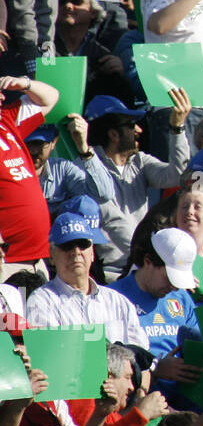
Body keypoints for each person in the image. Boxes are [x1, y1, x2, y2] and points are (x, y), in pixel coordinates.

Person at [87, 90, 193, 279]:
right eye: (131, 125)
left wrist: (177, 128)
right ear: (113, 134)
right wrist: (148, 254)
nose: (139, 130)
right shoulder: (88, 167)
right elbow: (113, 222)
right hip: (111, 271)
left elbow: (177, 175)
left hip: (144, 262)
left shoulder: (140, 161)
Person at [25, 211, 149, 348]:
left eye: (82, 244)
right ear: (51, 256)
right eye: (67, 245)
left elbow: (140, 354)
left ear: (92, 253)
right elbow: (50, 355)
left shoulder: (119, 302)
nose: (76, 252)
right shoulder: (41, 301)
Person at [107, 228, 201, 373]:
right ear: (148, 261)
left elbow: (200, 344)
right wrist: (155, 369)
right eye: (169, 278)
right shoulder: (112, 298)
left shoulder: (182, 298)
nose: (174, 288)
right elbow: (109, 357)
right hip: (138, 390)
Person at [0, 75, 61, 276]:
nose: (2, 97)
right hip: (8, 264)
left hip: (36, 260)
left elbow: (51, 97)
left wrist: (25, 84)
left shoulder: (7, 120)